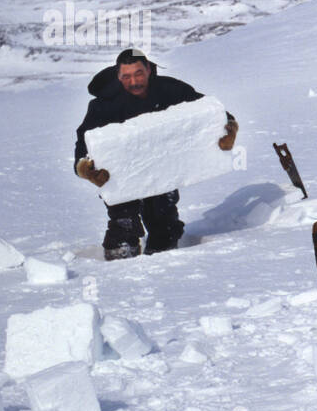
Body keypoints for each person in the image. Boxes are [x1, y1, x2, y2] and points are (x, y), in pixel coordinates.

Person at [74, 48, 238, 260]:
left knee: (163, 220)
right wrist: (85, 168)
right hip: (122, 175)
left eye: (139, 73)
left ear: (149, 69)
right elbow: (84, 142)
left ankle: (162, 262)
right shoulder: (104, 104)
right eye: (126, 76)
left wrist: (228, 130)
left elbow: (212, 112)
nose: (134, 81)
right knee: (124, 221)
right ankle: (119, 265)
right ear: (118, 75)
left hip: (162, 170)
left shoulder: (170, 90)